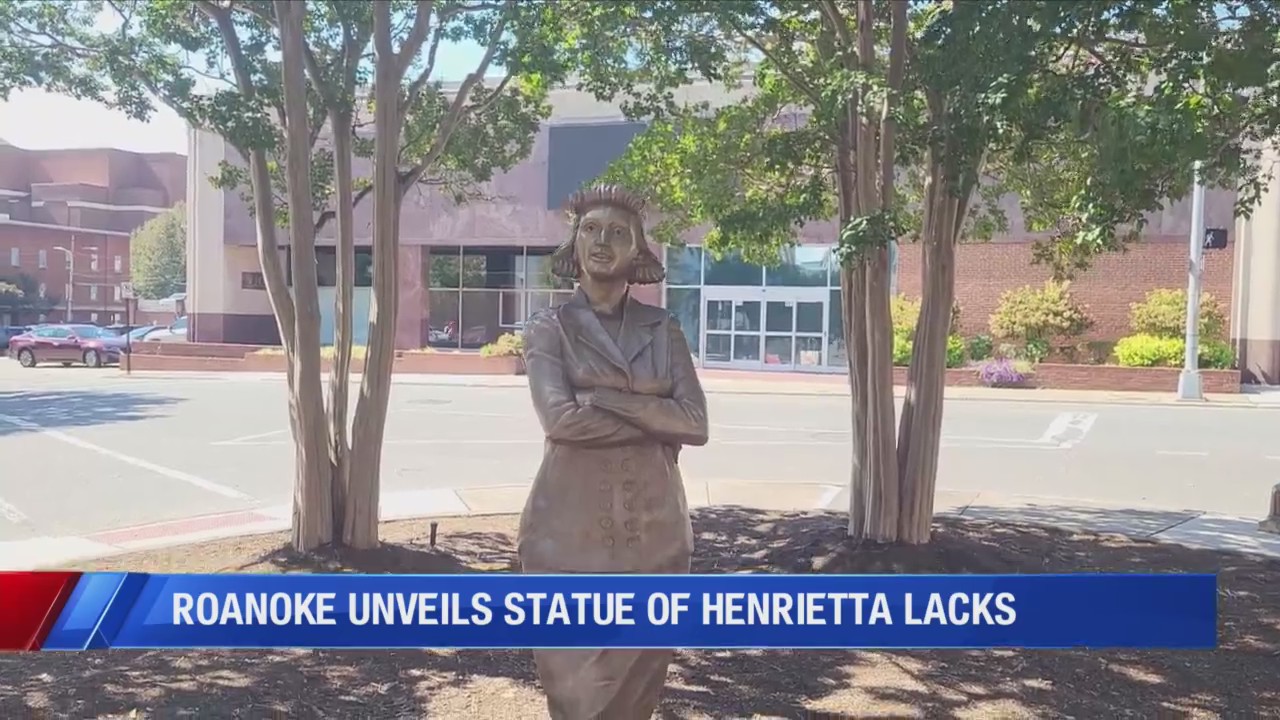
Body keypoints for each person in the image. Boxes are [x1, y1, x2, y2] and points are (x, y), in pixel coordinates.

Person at [519, 185, 710, 719]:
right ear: (573, 245)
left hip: (655, 541)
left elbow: (695, 423)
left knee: (633, 703)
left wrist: (600, 396)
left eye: (618, 233)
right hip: (565, 541)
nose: (602, 241)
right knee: (577, 698)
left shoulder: (663, 329)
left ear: (638, 253)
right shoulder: (547, 329)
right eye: (590, 230)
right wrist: (650, 409)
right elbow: (559, 420)